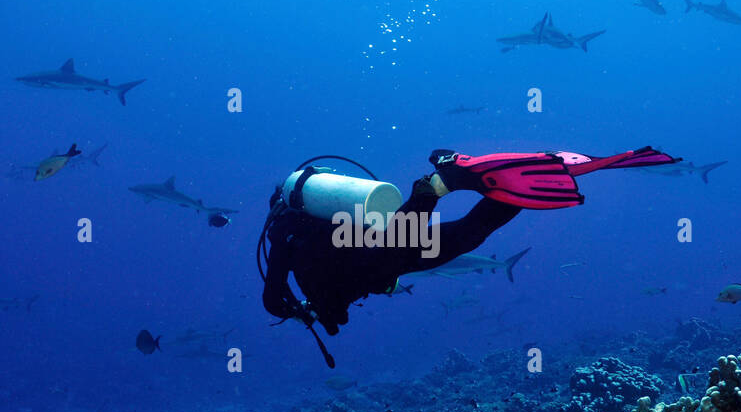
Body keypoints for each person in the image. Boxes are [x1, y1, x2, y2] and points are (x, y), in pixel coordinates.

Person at [259, 147, 679, 365]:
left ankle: (436, 184)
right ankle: (509, 192)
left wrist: (297, 309)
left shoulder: (283, 233)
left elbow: (271, 300)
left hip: (373, 257)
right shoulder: (299, 225)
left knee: (419, 239)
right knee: (466, 237)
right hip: (375, 253)